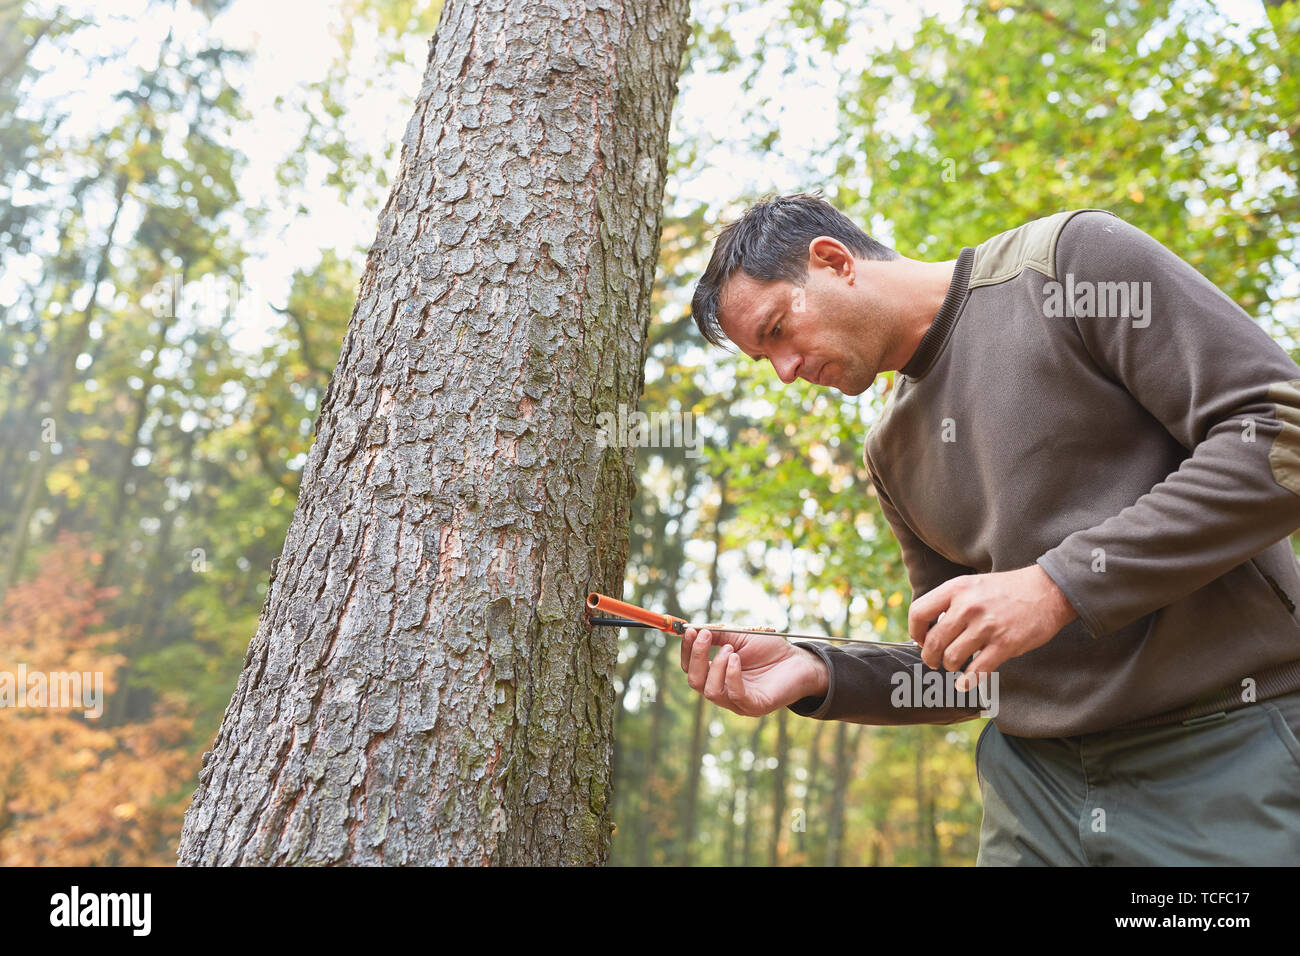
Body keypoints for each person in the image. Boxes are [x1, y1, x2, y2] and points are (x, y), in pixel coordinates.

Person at [683, 192, 1300, 865]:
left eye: (776, 330)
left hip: (1226, 748)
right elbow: (965, 665)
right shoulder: (889, 450)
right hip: (1034, 791)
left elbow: (1281, 439)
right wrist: (820, 671)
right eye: (763, 360)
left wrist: (1057, 587)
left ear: (833, 262)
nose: (785, 370)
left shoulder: (1069, 264)